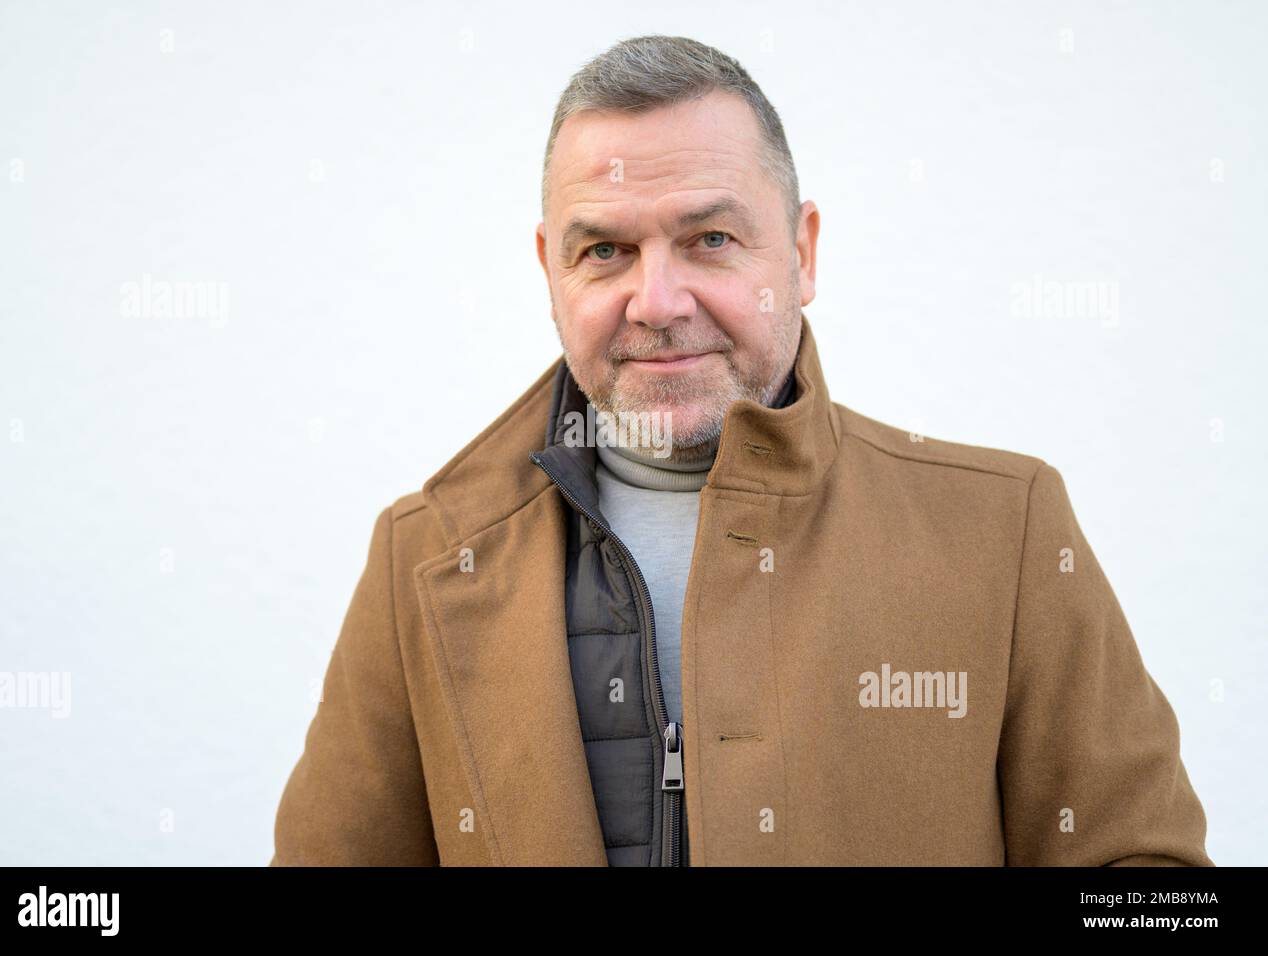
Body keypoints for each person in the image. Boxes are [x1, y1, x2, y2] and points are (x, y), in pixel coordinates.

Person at [271, 35, 1212, 866]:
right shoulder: (424, 557)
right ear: (548, 270)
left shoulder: (1005, 529)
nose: (658, 300)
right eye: (604, 251)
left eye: (710, 238)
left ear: (802, 256)